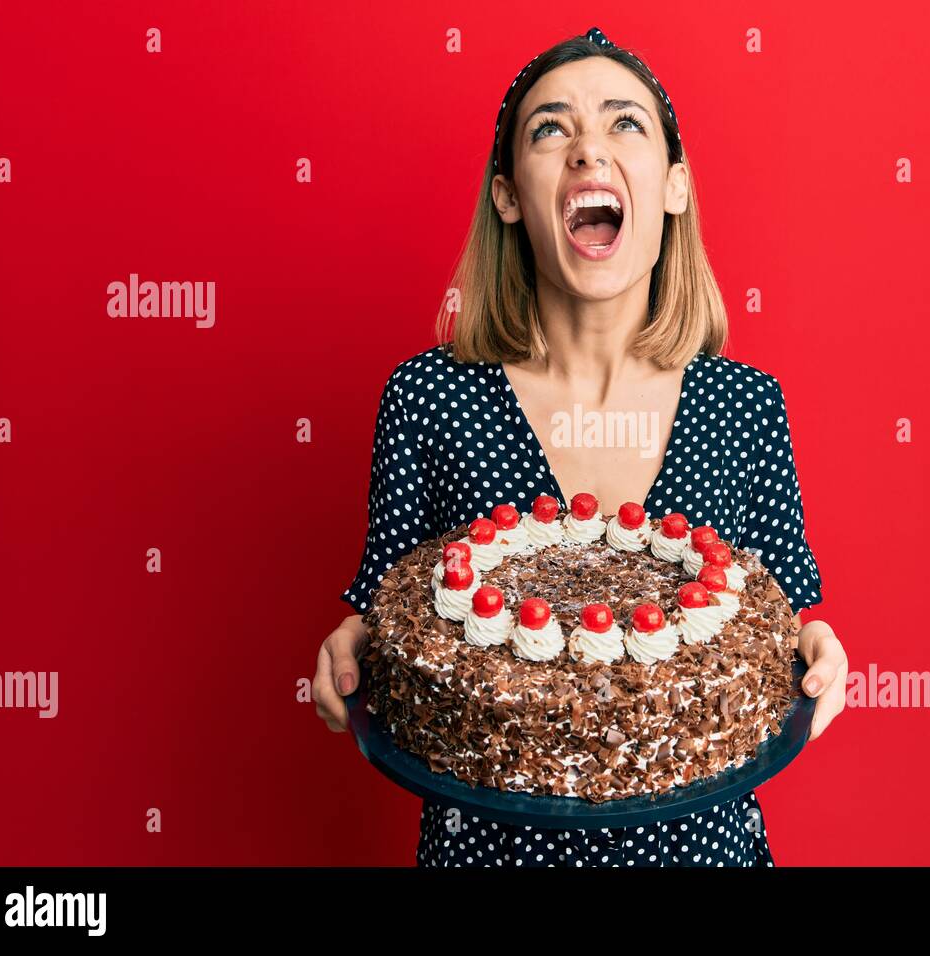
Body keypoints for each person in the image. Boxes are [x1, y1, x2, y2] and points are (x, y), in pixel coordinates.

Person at [314, 26, 847, 867]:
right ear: (508, 195)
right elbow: (390, 613)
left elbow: (780, 624)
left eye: (625, 124)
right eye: (550, 128)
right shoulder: (427, 397)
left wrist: (817, 655)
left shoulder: (747, 405)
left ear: (673, 186)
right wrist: (352, 648)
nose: (587, 148)